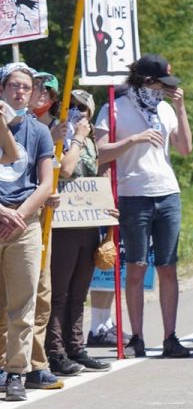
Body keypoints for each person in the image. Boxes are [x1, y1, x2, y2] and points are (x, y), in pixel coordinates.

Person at [94, 54, 193, 359]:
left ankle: (170, 337)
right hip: (132, 193)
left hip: (167, 193)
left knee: (168, 267)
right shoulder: (113, 107)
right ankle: (137, 336)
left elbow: (185, 149)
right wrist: (133, 139)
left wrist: (180, 107)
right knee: (136, 267)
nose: (166, 89)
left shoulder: (165, 108)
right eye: (163, 84)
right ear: (146, 81)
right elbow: (100, 152)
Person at [45, 89, 112, 377]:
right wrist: (77, 137)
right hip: (62, 222)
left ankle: (76, 346)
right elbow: (67, 169)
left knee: (79, 290)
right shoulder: (59, 134)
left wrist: (108, 214)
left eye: (81, 108)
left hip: (87, 219)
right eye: (69, 105)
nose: (74, 111)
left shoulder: (90, 140)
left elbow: (96, 175)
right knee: (58, 291)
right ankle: (55, 351)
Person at [0, 66, 52, 400]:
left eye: (27, 87)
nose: (21, 92)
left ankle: (16, 372)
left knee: (23, 303)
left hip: (23, 225)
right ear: (2, 88)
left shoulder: (39, 131)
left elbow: (46, 183)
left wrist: (19, 213)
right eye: (14, 86)